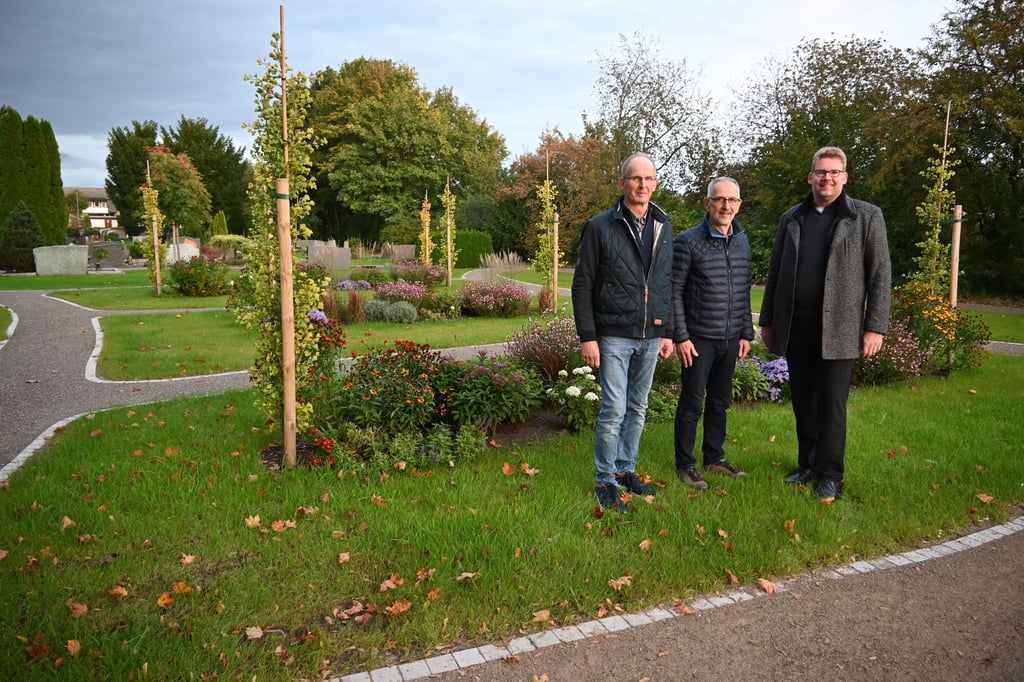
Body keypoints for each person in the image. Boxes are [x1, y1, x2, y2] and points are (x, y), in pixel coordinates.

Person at [759, 147, 891, 501]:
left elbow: (880, 275)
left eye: (834, 172)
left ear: (845, 177)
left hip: (841, 328)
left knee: (831, 403)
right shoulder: (791, 218)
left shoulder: (865, 216)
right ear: (810, 176)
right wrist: (768, 319)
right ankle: (808, 464)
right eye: (821, 172)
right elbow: (775, 272)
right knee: (803, 400)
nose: (827, 178)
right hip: (797, 326)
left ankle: (830, 473)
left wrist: (875, 326)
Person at [572, 152, 675, 512]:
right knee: (614, 408)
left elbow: (666, 282)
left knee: (638, 407)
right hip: (613, 333)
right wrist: (588, 336)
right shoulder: (600, 226)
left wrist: (667, 331)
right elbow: (582, 284)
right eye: (635, 178)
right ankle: (604, 479)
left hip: (651, 334)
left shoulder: (664, 225)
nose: (642, 184)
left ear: (655, 183)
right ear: (622, 183)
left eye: (648, 179)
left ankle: (625, 470)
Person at [671, 177, 755, 490]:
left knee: (720, 402)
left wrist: (746, 332)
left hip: (730, 338)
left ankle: (714, 457)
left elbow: (743, 290)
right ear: (707, 203)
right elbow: (673, 291)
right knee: (692, 402)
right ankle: (685, 464)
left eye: (732, 200)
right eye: (719, 199)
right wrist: (681, 336)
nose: (725, 205)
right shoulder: (688, 241)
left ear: (739, 204)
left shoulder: (742, 241)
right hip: (698, 339)